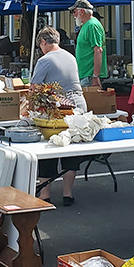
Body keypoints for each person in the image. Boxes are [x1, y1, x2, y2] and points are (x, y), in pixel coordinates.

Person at [31, 27, 87, 207]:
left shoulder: (44, 60)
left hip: (59, 108)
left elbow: (34, 88)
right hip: (79, 106)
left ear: (43, 42)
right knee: (70, 150)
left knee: (50, 149)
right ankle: (67, 193)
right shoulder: (70, 56)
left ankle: (45, 195)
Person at [69, 0, 107, 87]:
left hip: (89, 76)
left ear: (81, 11)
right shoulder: (86, 25)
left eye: (74, 11)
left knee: (89, 100)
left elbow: (98, 50)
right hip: (85, 75)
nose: (73, 15)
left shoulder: (92, 25)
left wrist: (95, 76)